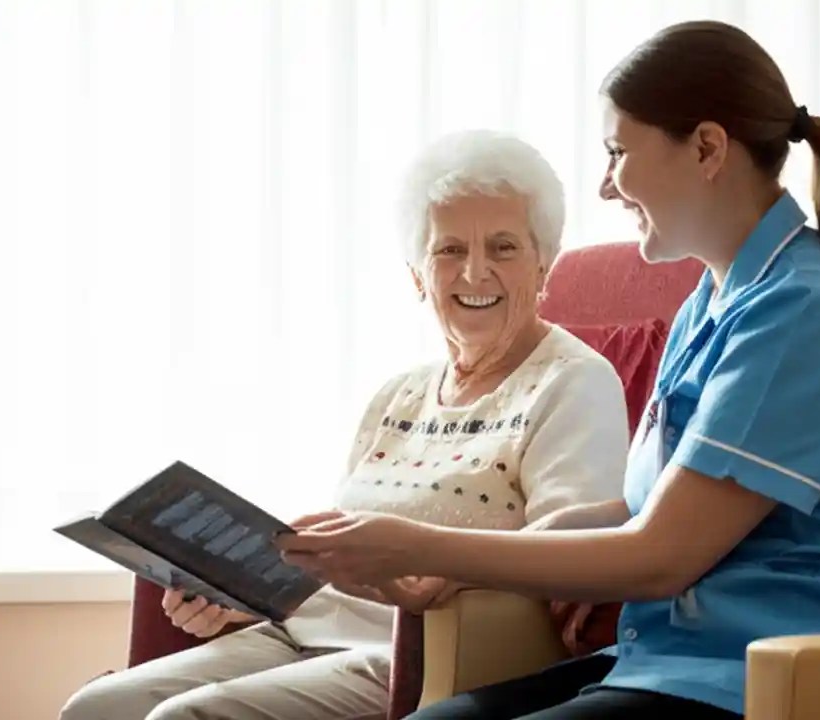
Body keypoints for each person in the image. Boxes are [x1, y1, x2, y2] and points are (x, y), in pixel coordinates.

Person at [277, 21, 820, 720]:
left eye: (617, 153)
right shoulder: (714, 300)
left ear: (706, 148)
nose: (606, 187)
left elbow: (661, 555)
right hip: (669, 662)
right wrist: (446, 560)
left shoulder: (807, 311)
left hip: (765, 676)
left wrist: (419, 543)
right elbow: (641, 510)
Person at [58, 130, 631, 720]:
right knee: (99, 707)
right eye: (449, 250)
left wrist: (437, 574)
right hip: (302, 631)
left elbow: (569, 557)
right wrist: (246, 599)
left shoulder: (574, 382)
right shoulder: (399, 393)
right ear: (417, 275)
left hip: (419, 653)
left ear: (545, 264)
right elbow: (345, 566)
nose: (474, 272)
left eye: (504, 247)